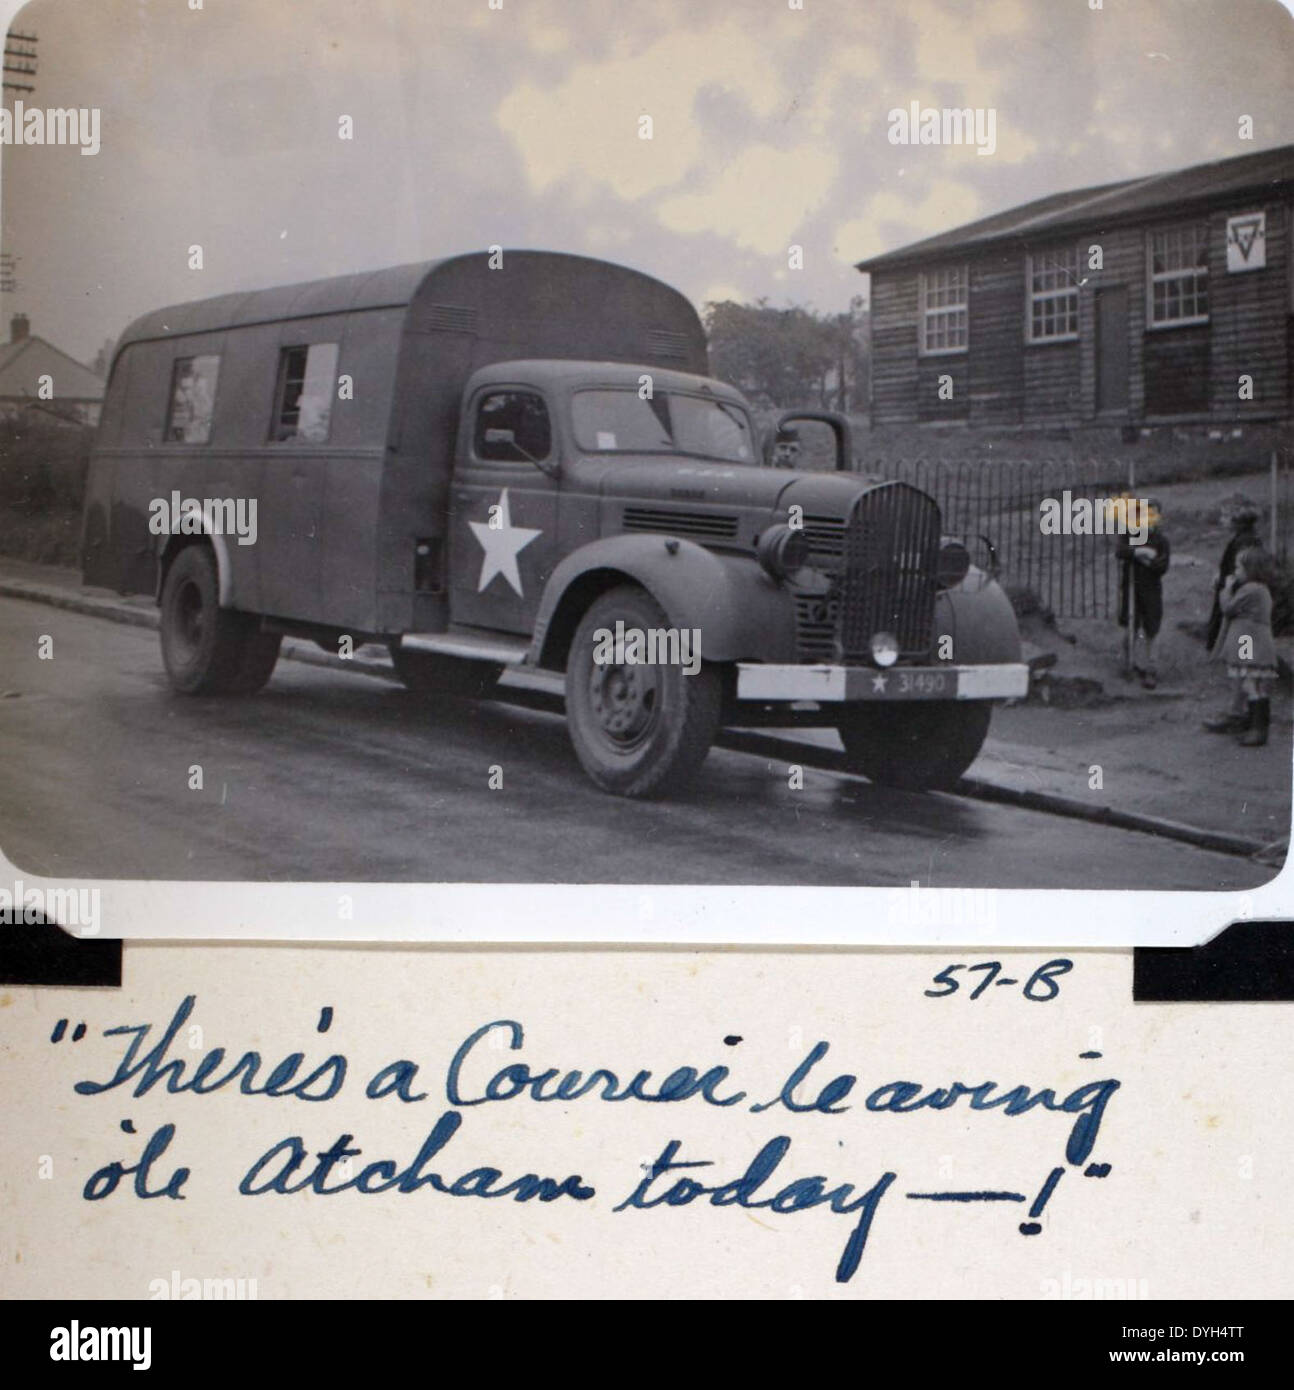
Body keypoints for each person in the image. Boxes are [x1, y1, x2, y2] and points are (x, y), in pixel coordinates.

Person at [1205, 545, 1278, 747]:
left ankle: (1258, 729)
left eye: (1239, 568)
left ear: (1250, 570)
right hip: (1249, 641)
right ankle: (1249, 722)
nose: (1235, 572)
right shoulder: (1258, 589)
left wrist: (1226, 589)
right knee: (1249, 681)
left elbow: (1228, 608)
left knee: (1251, 682)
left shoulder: (1250, 589)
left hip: (1249, 642)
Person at [1115, 498, 1170, 689]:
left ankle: (1151, 668)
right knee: (1131, 627)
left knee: (1151, 629)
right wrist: (1138, 552)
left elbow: (1163, 565)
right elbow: (1120, 550)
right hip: (1131, 588)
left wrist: (1148, 560)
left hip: (1151, 590)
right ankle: (1129, 663)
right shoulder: (1132, 534)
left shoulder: (1161, 541)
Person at [1206, 502, 1261, 649]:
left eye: (1225, 516)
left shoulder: (1245, 540)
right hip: (1231, 582)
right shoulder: (1242, 538)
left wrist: (1229, 582)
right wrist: (1221, 574)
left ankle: (1230, 650)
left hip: (1236, 586)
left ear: (1237, 521)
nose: (1221, 520)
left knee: (1233, 621)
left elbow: (1245, 565)